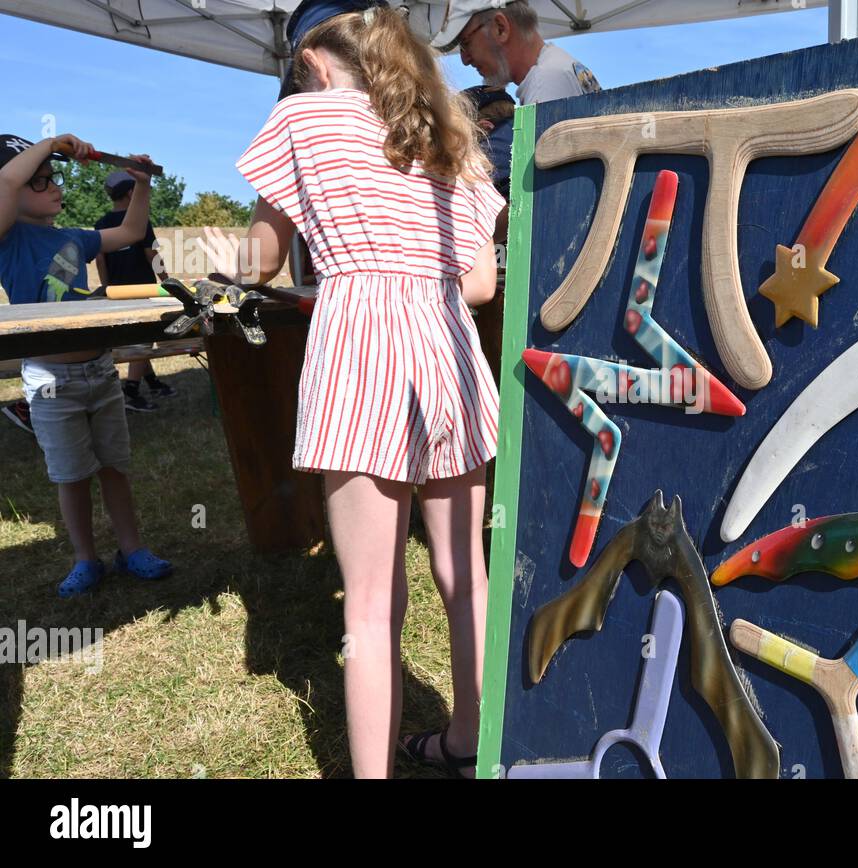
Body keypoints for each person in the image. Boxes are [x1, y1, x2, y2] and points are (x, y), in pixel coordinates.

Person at [201, 0, 504, 779]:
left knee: (369, 602)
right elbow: (476, 284)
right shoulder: (449, 137)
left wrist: (220, 260)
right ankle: (473, 743)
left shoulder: (305, 121)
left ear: (312, 62)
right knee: (463, 572)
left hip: (362, 351)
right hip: (450, 356)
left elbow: (261, 261)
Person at [0, 133, 173, 596]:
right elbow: (6, 180)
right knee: (71, 475)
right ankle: (85, 558)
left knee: (115, 465)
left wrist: (142, 186)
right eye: (40, 183)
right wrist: (50, 142)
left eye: (52, 177)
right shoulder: (7, 239)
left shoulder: (75, 238)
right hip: (50, 380)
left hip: (99, 371)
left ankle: (132, 549)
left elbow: (132, 233)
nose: (54, 186)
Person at [95, 171, 177, 411]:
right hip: (142, 288)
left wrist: (107, 286)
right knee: (143, 339)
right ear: (131, 192)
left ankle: (151, 381)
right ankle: (131, 391)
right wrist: (168, 282)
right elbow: (152, 255)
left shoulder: (101, 224)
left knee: (136, 338)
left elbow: (100, 259)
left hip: (116, 290)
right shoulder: (140, 223)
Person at [435, 0, 602, 105]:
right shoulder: (556, 68)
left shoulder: (546, 84)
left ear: (500, 28)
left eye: (466, 43)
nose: (464, 59)